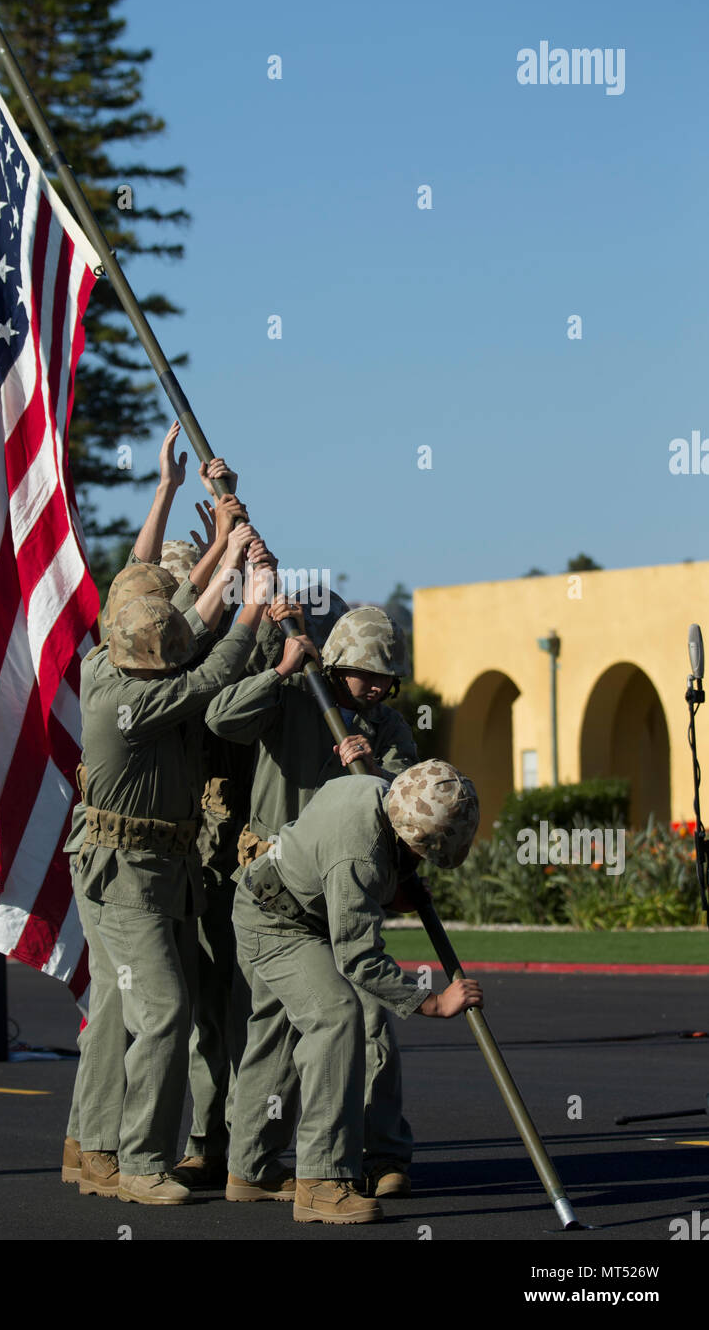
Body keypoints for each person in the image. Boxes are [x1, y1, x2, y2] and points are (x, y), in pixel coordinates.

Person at [73, 521, 275, 1206]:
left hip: (122, 861)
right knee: (164, 1011)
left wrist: (224, 550)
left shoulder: (103, 664)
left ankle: (93, 1146)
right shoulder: (140, 701)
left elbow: (180, 617)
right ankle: (141, 1162)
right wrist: (255, 599)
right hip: (132, 871)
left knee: (112, 1005)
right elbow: (212, 669)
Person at [206, 602, 420, 1196]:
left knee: (371, 1017)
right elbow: (223, 719)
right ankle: (252, 1163)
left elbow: (406, 807)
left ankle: (383, 1154)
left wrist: (368, 764)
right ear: (336, 663)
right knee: (271, 1027)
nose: (375, 687)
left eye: (385, 678)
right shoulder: (296, 695)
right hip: (277, 890)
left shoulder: (389, 728)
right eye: (364, 675)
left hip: (344, 891)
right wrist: (279, 670)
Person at [227, 760, 483, 1224]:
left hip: (287, 902)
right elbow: (359, 958)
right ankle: (322, 1181)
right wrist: (433, 1002)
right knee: (336, 1016)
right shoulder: (359, 856)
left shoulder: (374, 788)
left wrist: (396, 876)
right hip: (280, 924)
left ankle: (252, 1168)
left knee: (278, 1037)